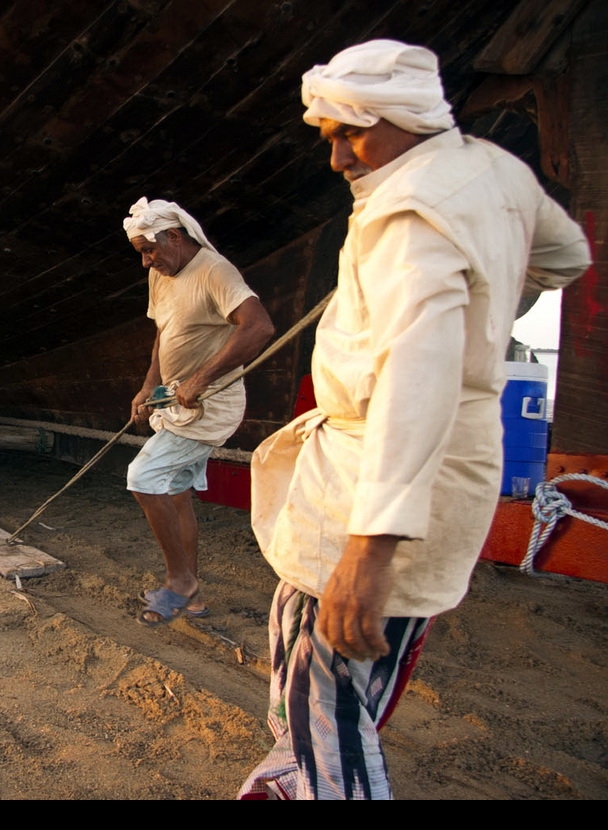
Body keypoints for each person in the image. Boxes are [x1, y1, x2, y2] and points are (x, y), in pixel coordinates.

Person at [240, 39, 591, 800]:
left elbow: (414, 382)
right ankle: (289, 777)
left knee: (325, 689)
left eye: (349, 133)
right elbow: (564, 259)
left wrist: (370, 550)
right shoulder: (495, 172)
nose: (335, 158)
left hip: (379, 472)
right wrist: (486, 287)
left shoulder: (409, 215)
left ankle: (322, 783)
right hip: (456, 466)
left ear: (403, 119)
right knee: (332, 659)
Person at [123, 197, 274, 626]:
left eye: (149, 250)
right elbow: (163, 331)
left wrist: (202, 378)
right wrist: (149, 384)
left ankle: (179, 581)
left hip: (210, 406)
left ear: (175, 236)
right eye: (141, 253)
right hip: (174, 402)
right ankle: (194, 597)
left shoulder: (214, 270)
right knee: (175, 493)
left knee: (143, 477)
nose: (146, 262)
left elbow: (259, 325)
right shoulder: (162, 275)